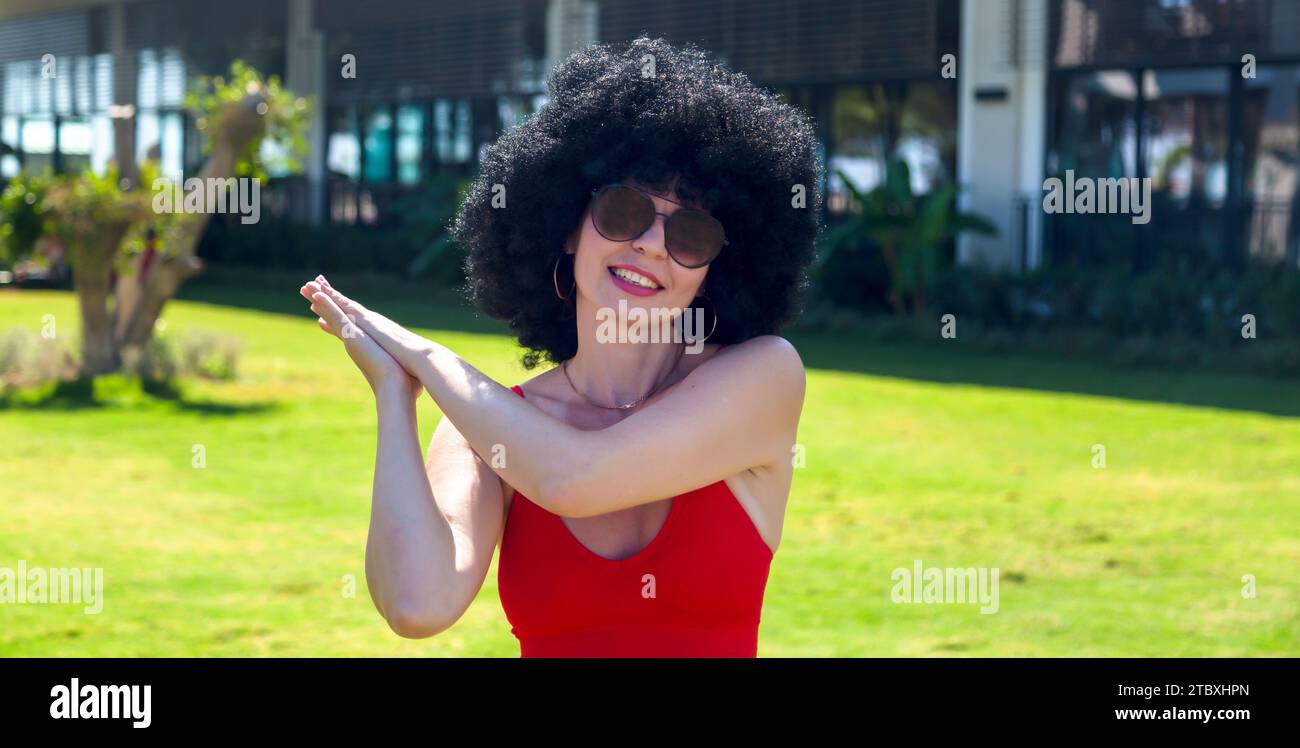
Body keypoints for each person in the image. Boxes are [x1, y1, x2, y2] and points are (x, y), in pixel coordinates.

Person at [298, 36, 822, 657]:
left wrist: (433, 361)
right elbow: (417, 605)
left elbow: (576, 478)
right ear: (567, 227)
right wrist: (394, 392)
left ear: (716, 268)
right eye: (624, 211)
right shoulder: (482, 432)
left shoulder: (765, 376)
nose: (652, 244)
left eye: (691, 231)